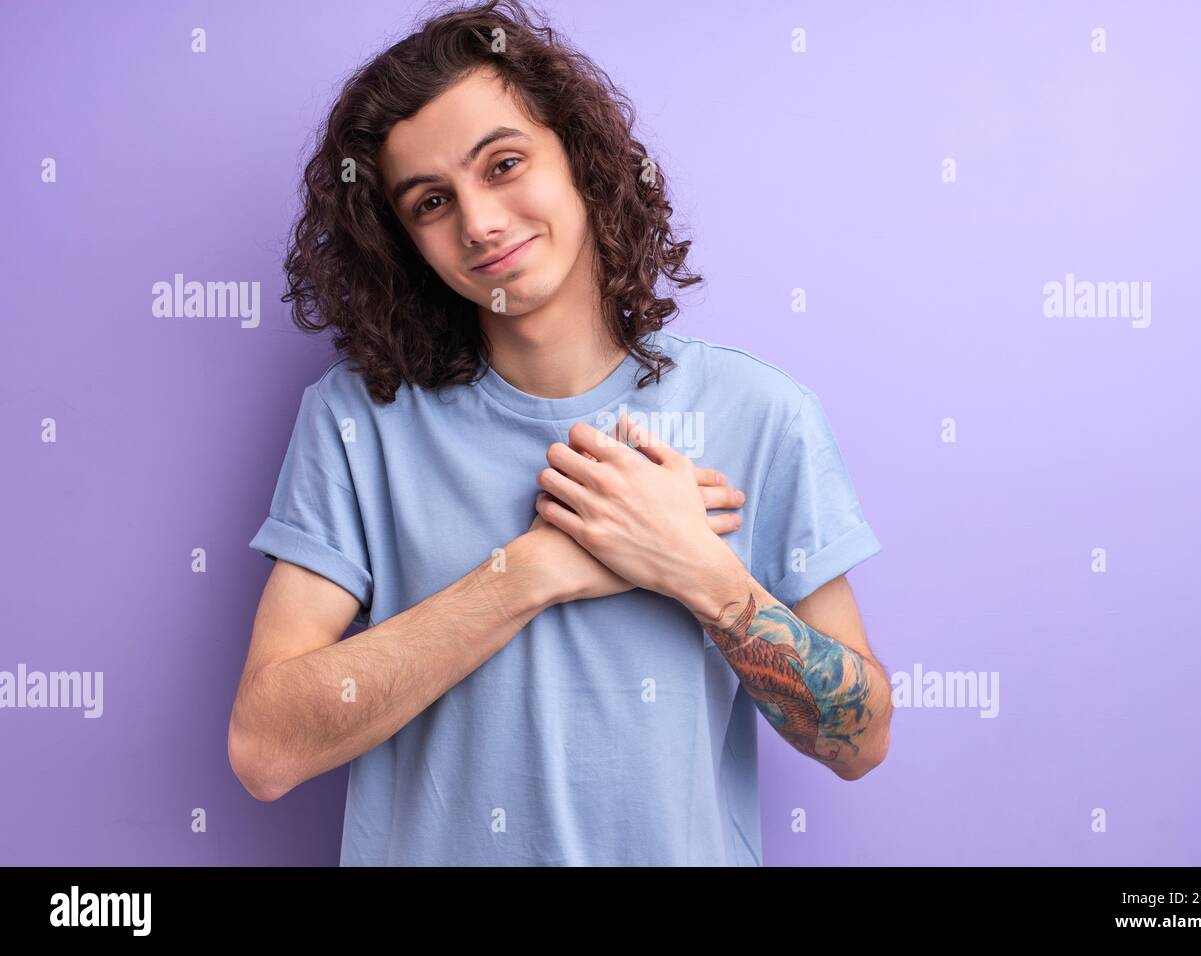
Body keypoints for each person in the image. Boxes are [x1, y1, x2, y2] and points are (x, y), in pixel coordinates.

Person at [228, 0, 891, 866]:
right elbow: (265, 750)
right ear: (405, 242)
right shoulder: (357, 421)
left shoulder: (760, 413)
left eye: (503, 164)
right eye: (432, 202)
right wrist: (531, 571)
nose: (480, 222)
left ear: (579, 158)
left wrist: (698, 570)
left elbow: (859, 740)